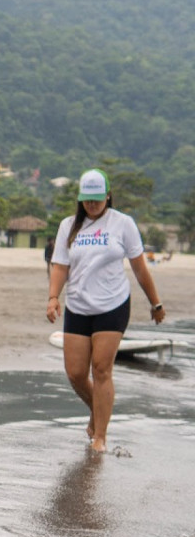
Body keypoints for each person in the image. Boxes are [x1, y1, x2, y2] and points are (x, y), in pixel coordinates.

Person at [46, 168, 164, 453]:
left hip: (112, 305)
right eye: (87, 199)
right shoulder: (68, 226)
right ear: (80, 199)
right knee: (75, 373)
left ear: (108, 195)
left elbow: (139, 267)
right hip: (77, 305)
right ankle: (98, 411)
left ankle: (100, 436)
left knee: (101, 369)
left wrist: (155, 302)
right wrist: (53, 297)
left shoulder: (122, 223)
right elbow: (61, 265)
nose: (92, 204)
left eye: (97, 199)